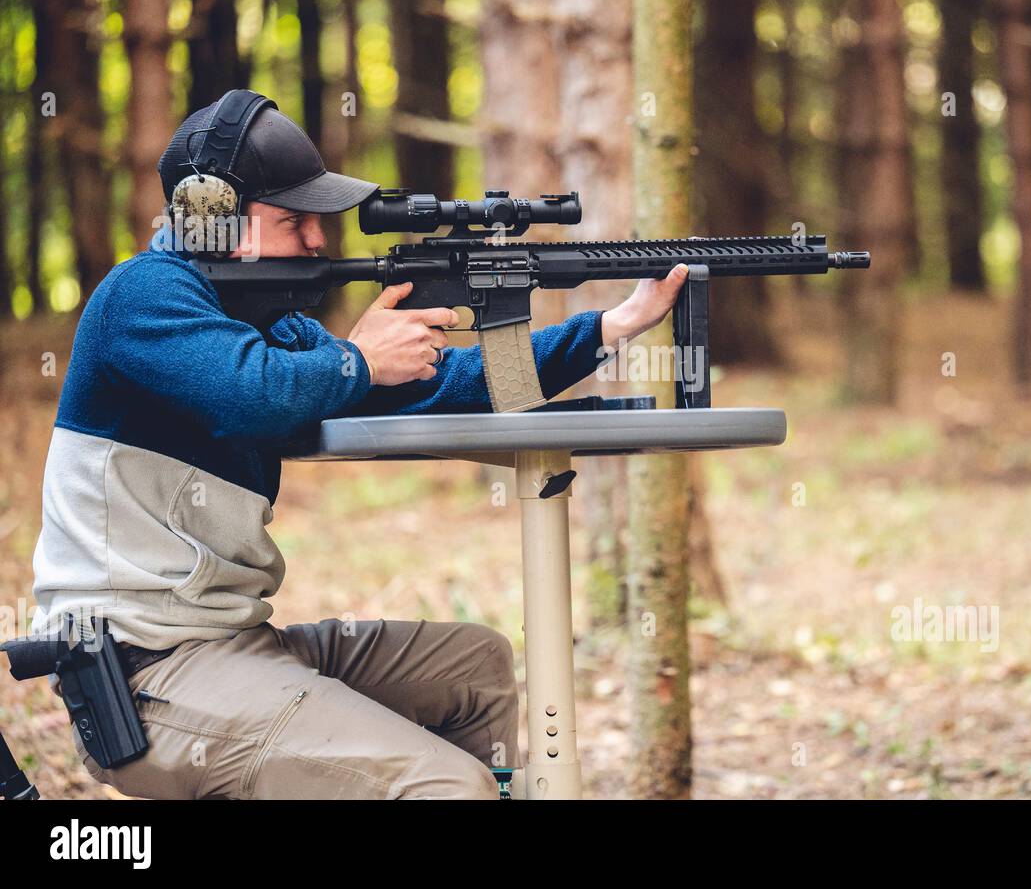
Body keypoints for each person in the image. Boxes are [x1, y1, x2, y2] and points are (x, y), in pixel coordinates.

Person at [28, 90, 688, 799]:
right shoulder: (142, 297)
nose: (318, 240)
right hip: (145, 679)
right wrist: (360, 360)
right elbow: (249, 393)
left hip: (236, 645)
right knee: (450, 785)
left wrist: (609, 329)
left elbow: (449, 380)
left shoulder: (278, 332)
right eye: (294, 220)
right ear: (211, 221)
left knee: (475, 667)